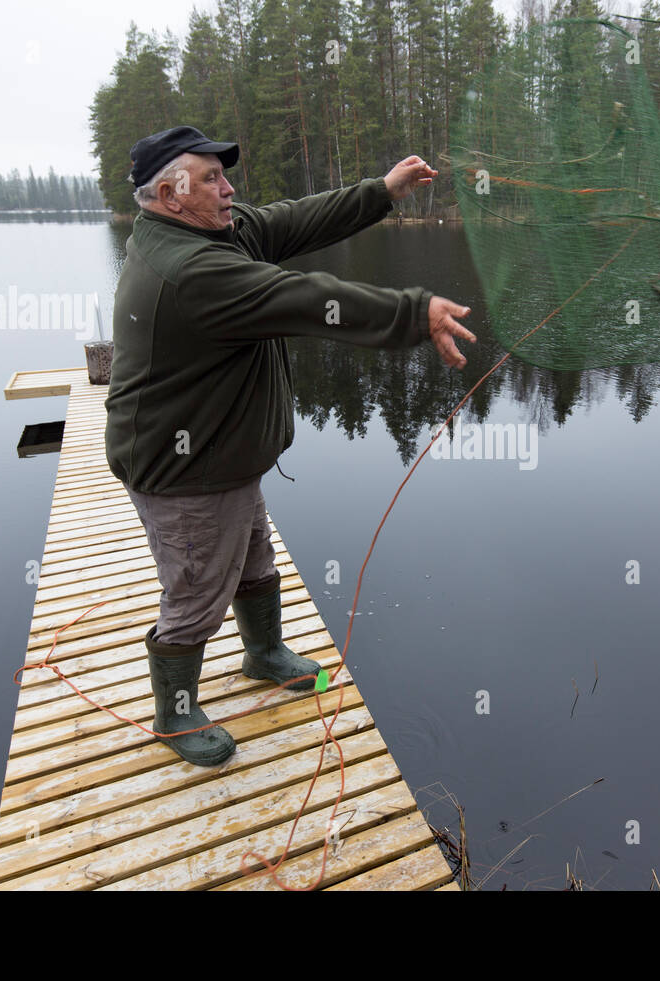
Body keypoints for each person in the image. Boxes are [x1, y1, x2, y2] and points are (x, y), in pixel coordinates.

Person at [104, 125, 476, 767]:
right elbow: (305, 299)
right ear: (170, 193)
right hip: (184, 468)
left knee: (252, 557)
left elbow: (293, 221)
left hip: (222, 454)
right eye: (213, 178)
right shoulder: (190, 269)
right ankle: (175, 715)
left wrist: (380, 192)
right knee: (194, 592)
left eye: (226, 175)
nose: (230, 189)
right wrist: (413, 313)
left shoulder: (207, 228)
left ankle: (264, 653)